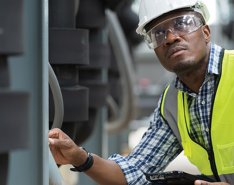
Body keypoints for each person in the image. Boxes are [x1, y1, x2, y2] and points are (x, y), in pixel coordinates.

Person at [49, 0, 234, 184]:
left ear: (206, 32)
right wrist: (79, 157)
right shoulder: (173, 103)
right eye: (158, 34)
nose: (170, 38)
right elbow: (134, 172)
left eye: (182, 23)